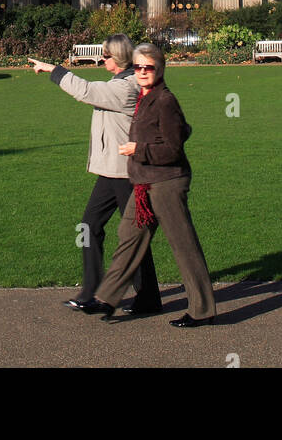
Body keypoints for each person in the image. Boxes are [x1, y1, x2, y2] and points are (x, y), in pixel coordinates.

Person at [81, 42, 216, 328]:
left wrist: (138, 150)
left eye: (148, 67)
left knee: (183, 246)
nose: (142, 71)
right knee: (128, 235)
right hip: (144, 184)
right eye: (138, 66)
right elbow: (183, 129)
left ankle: (202, 310)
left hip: (167, 183)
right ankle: (105, 298)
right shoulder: (146, 96)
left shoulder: (164, 100)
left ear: (160, 69)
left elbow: (173, 149)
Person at [29, 35, 161, 315]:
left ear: (118, 58)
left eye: (106, 55)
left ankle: (140, 296)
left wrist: (53, 70)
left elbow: (85, 91)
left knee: (132, 234)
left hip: (125, 173)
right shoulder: (120, 84)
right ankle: (97, 291)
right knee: (92, 227)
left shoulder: (125, 88)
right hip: (110, 172)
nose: (102, 59)